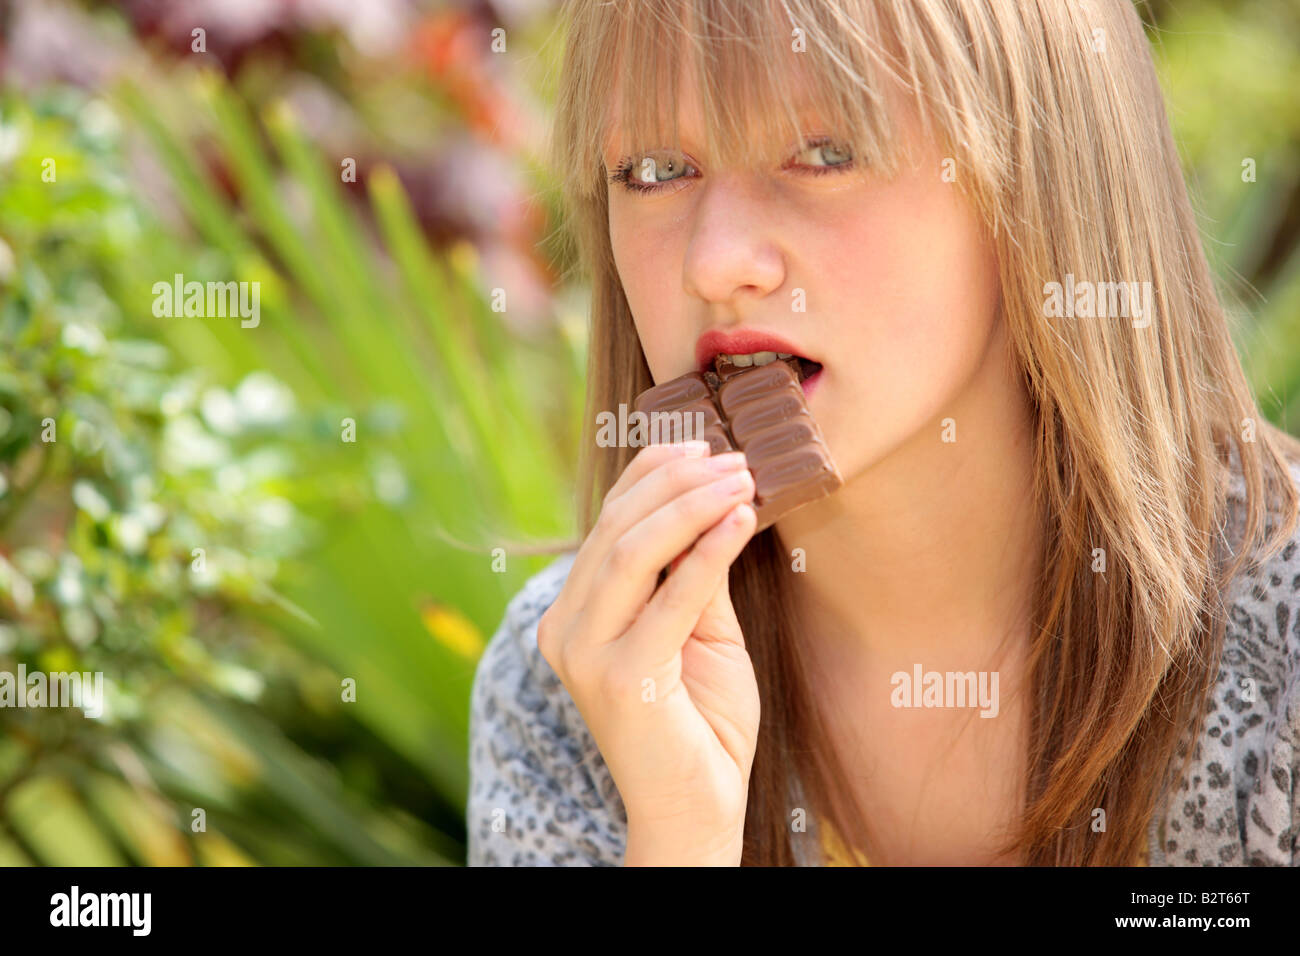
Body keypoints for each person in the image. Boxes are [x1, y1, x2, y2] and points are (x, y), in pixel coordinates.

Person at [467, 0, 1300, 866]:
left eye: (824, 154)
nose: (711, 264)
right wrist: (679, 832)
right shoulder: (575, 684)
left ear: (1041, 177)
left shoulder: (1280, 663)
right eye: (651, 169)